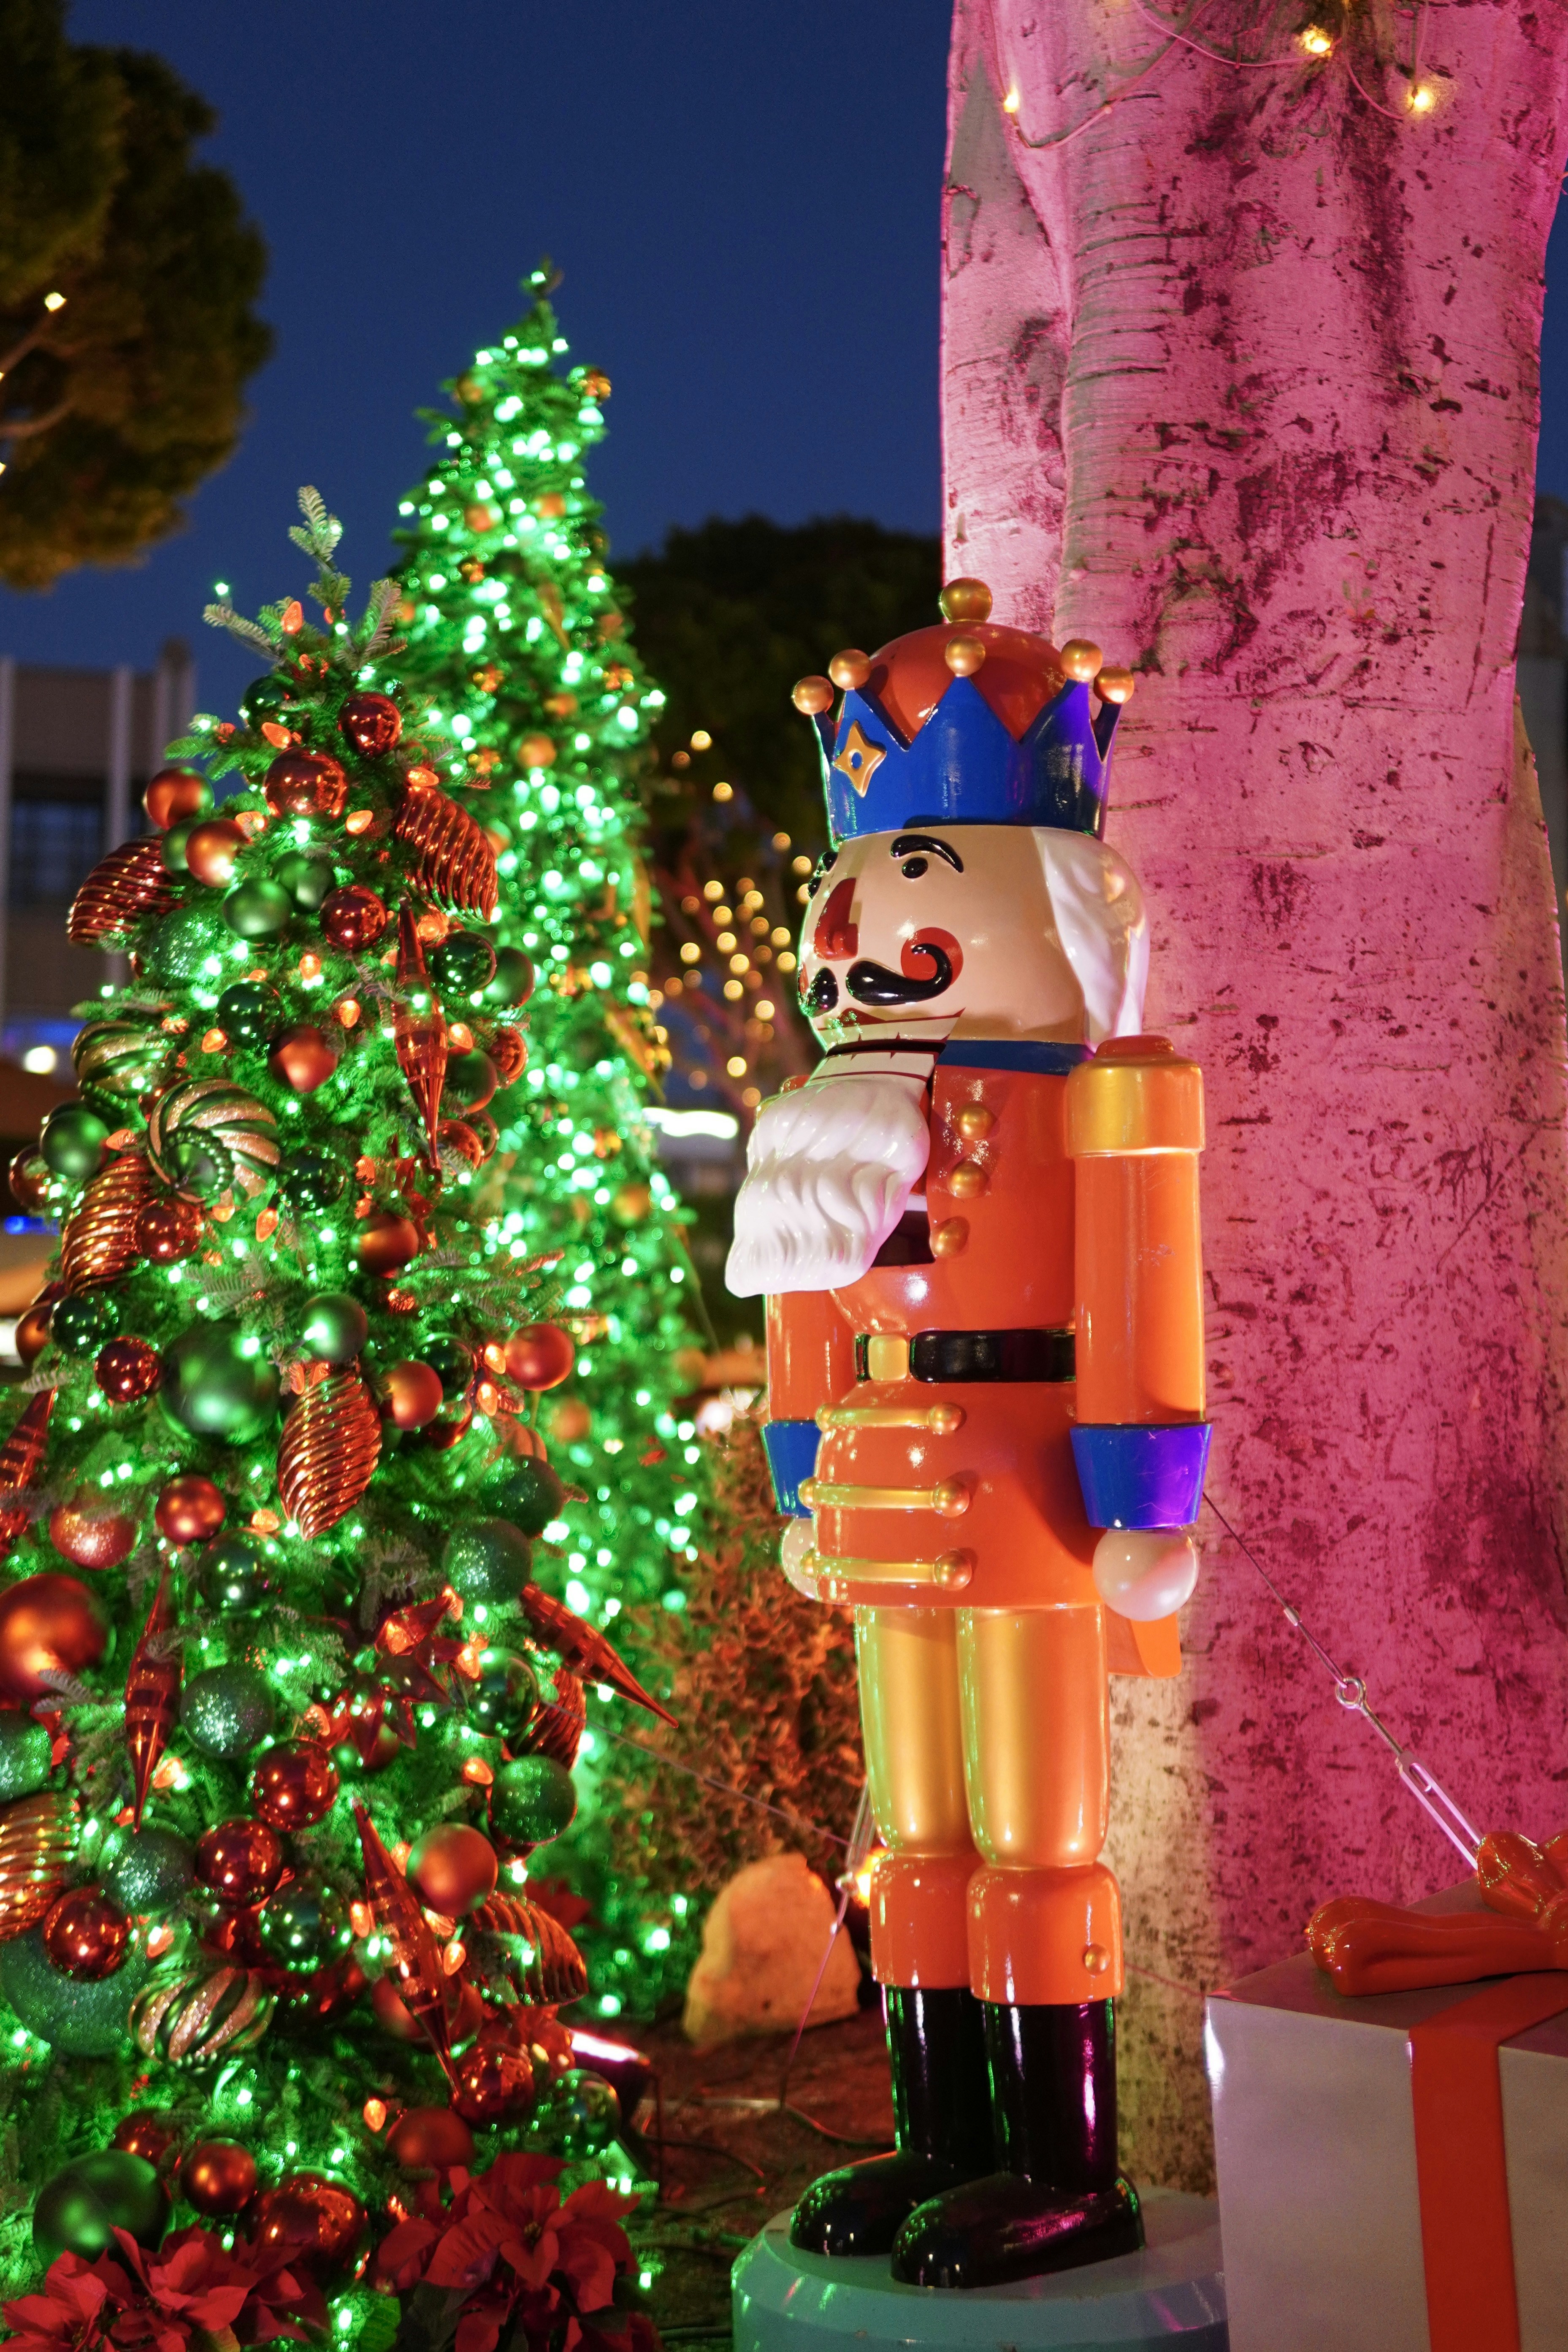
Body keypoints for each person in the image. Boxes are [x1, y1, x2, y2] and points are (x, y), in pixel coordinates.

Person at [726, 581, 1210, 2290]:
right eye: (848, 888)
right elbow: (802, 1323)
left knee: (1037, 1838)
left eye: (914, 878)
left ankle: (1062, 2163)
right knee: (911, 1834)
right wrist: (800, 1479)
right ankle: (937, 2136)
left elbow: (1141, 1302)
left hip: (1025, 1490)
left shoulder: (1103, 1095)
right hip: (876, 1490)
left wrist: (1147, 1497)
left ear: (1048, 901)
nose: (856, 930)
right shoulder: (822, 1111)